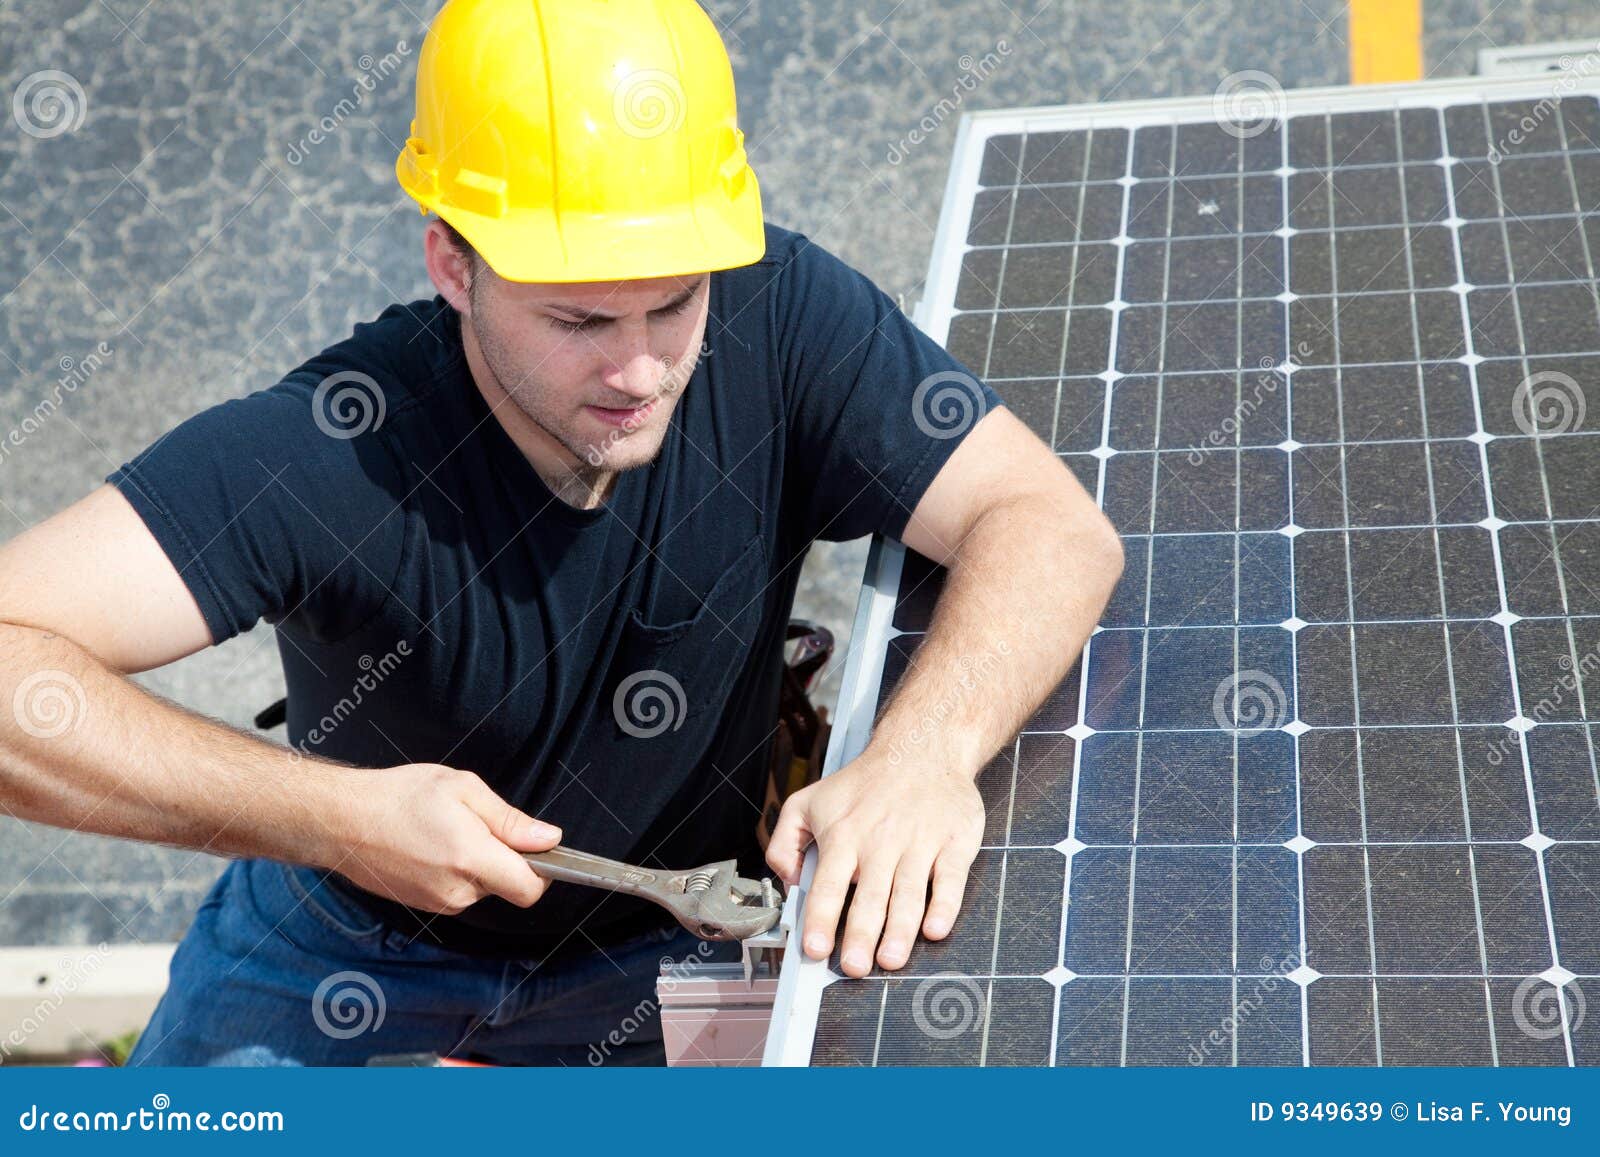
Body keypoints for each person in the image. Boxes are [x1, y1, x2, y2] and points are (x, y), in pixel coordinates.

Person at [0, 0, 1122, 1066]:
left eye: (672, 304)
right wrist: (334, 816)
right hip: (342, 933)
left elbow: (1045, 521)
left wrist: (923, 757)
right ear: (454, 264)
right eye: (578, 318)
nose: (639, 371)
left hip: (676, 927)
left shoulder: (780, 313)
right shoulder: (333, 445)